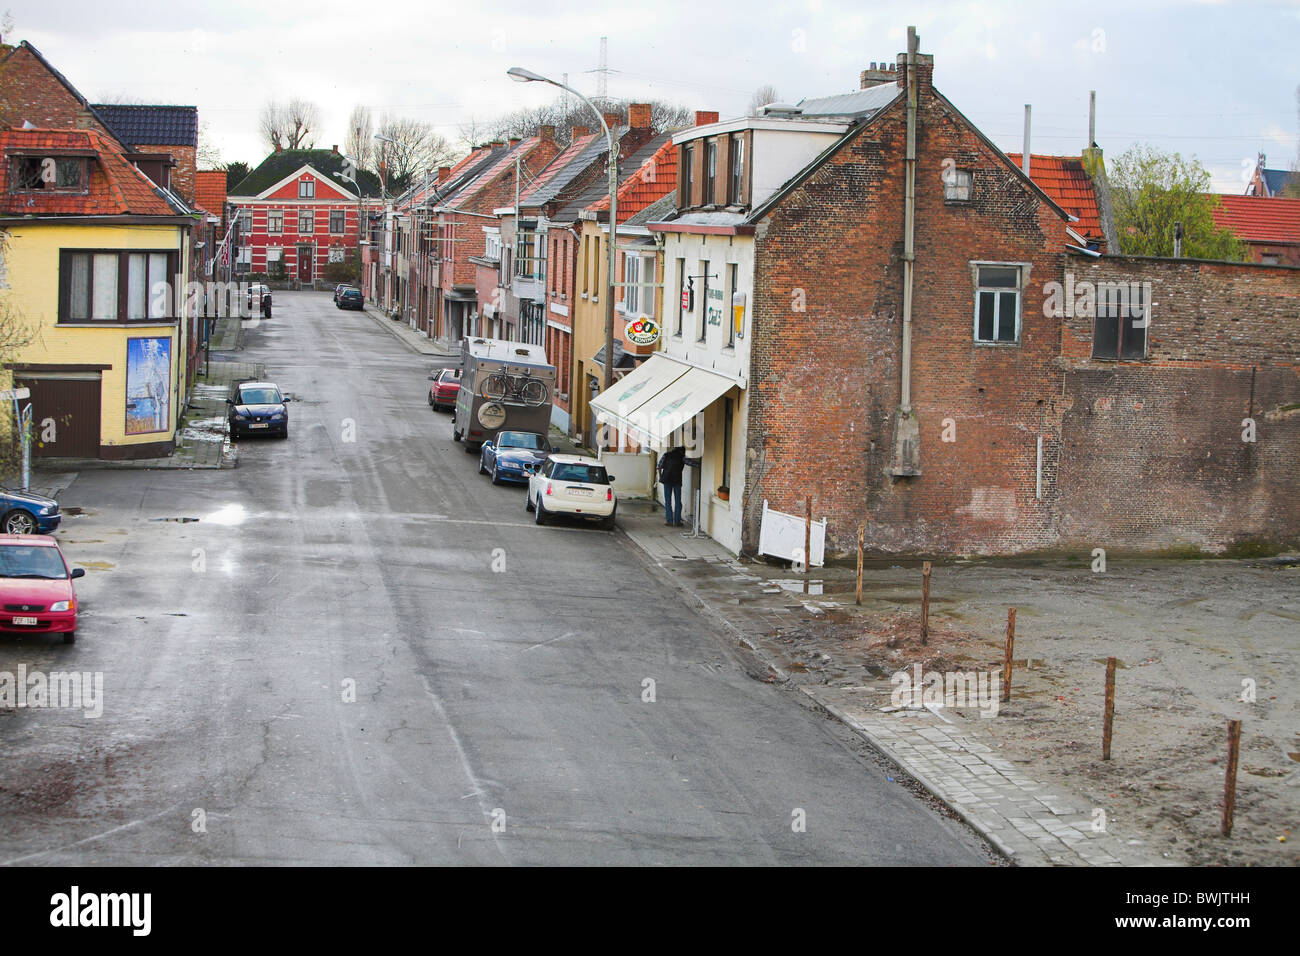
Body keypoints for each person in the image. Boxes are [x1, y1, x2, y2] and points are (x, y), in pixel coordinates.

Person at [658, 445, 686, 527]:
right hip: (677, 480)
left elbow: (659, 466)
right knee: (678, 501)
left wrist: (661, 477)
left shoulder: (666, 455)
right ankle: (677, 521)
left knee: (668, 500)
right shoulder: (682, 457)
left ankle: (669, 521)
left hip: (666, 480)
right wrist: (699, 465)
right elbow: (690, 463)